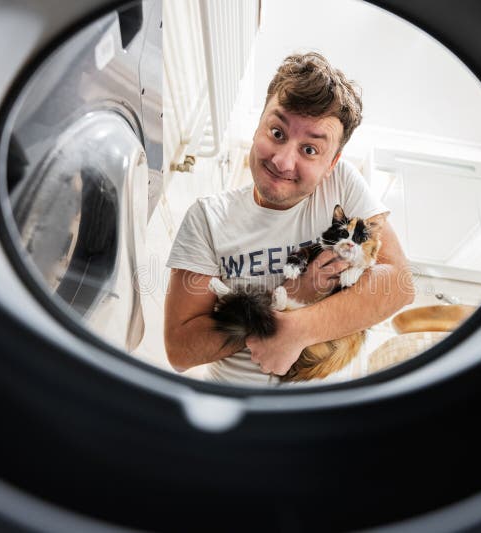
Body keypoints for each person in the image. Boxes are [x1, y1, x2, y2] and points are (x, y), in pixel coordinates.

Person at [164, 52, 413, 385]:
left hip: (324, 408)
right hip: (234, 403)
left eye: (309, 149)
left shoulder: (342, 184)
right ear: (258, 126)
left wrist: (298, 329)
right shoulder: (206, 218)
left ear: (331, 164)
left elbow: (399, 284)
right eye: (277, 133)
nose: (282, 161)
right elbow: (180, 350)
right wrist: (291, 298)